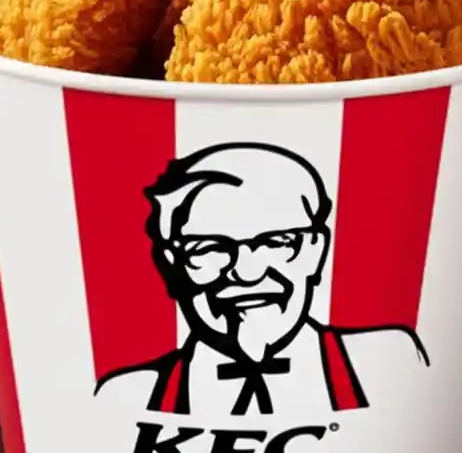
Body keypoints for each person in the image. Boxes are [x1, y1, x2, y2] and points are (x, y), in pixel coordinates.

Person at [96, 142, 428, 416]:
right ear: (172, 265)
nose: (247, 271)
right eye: (210, 248)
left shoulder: (386, 361)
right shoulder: (129, 396)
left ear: (316, 250)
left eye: (276, 243)